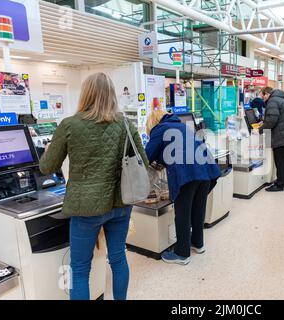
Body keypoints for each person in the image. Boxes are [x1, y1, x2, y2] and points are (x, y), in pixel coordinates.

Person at [39, 73, 148, 300]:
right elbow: (143, 163)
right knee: (118, 258)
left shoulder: (69, 125)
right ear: (111, 95)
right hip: (120, 203)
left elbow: (46, 167)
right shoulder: (126, 124)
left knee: (80, 270)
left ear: (85, 94)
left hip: (85, 207)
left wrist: (49, 149)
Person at [145, 109, 221, 265]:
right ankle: (198, 244)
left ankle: (182, 253)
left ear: (152, 122)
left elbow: (147, 156)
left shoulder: (160, 129)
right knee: (198, 209)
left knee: (182, 212)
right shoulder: (182, 126)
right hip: (205, 169)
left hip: (188, 173)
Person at [259, 86, 284, 192]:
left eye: (262, 96)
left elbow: (271, 121)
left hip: (281, 136)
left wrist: (260, 129)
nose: (262, 98)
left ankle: (279, 184)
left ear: (267, 94)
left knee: (280, 161)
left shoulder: (272, 101)